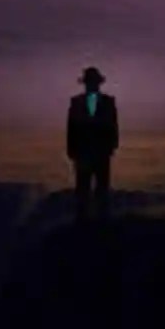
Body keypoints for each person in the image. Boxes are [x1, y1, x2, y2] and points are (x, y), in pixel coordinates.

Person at [66, 66, 118, 223]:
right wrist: (72, 150)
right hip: (83, 153)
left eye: (93, 82)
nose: (92, 85)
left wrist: (112, 147)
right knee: (83, 191)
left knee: (101, 191)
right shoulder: (76, 103)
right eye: (90, 82)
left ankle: (101, 223)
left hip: (100, 153)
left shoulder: (108, 102)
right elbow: (71, 128)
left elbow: (113, 127)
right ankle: (83, 223)